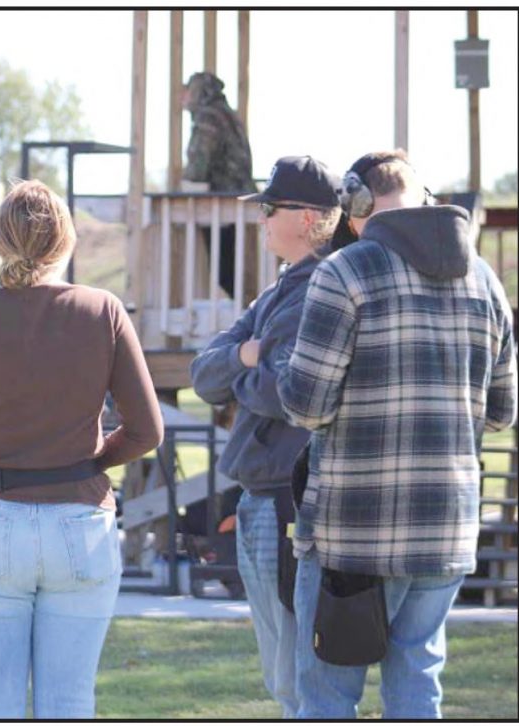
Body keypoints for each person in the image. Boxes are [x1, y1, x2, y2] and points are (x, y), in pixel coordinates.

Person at [0, 180, 163, 719]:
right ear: (66, 241)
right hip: (81, 521)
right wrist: (87, 461)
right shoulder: (104, 310)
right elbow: (146, 431)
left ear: (1, 242)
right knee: (69, 703)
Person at [278, 155, 515, 719]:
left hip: (351, 536)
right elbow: (502, 413)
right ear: (425, 195)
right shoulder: (486, 279)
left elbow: (304, 405)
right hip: (448, 530)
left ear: (357, 203)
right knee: (416, 688)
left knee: (329, 696)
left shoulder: (344, 273)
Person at [191, 156, 343, 716]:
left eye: (270, 209)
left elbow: (282, 393)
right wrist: (244, 357)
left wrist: (244, 370)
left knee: (299, 677)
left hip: (290, 498)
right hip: (261, 497)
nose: (261, 220)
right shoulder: (277, 289)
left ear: (307, 218)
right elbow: (203, 373)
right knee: (283, 674)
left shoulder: (320, 288)